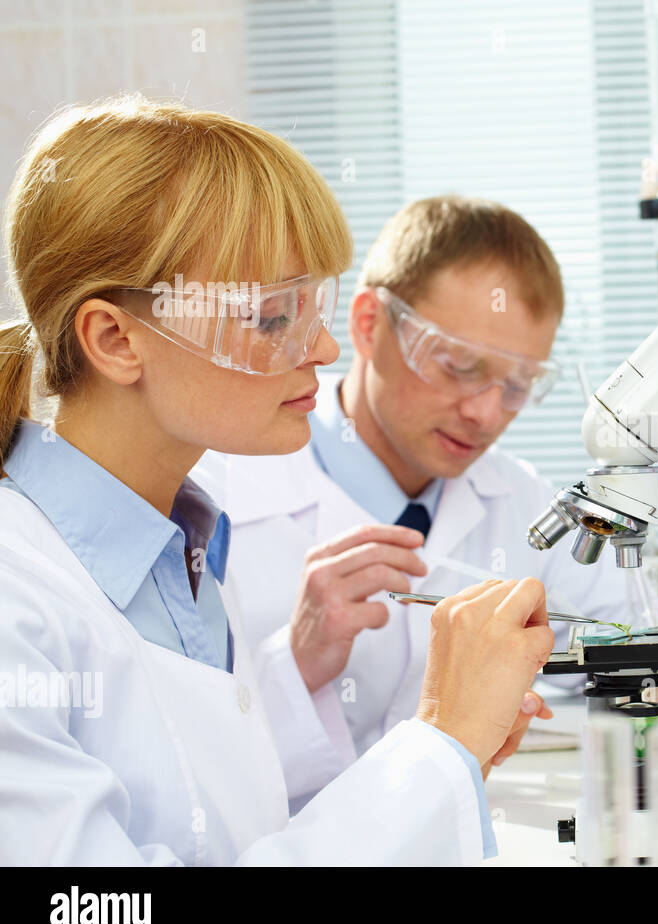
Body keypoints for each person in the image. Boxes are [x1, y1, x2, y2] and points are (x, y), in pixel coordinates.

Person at [0, 96, 552, 865]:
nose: (324, 347)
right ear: (116, 339)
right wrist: (440, 739)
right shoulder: (17, 599)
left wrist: (457, 761)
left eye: (314, 304)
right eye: (270, 316)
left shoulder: (184, 551)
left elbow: (232, 831)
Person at [194, 195, 658, 805]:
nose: (486, 414)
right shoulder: (213, 488)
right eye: (459, 366)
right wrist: (296, 660)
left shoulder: (518, 497)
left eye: (517, 386)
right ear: (368, 325)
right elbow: (182, 779)